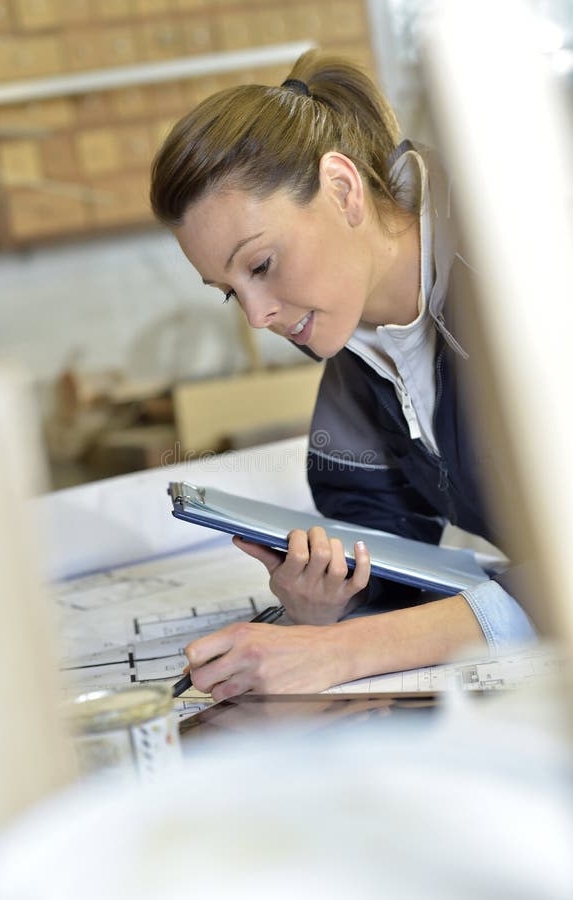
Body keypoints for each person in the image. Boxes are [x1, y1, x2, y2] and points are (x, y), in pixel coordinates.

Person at [150, 49, 536, 700]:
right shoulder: (354, 349)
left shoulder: (526, 271)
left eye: (262, 264)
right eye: (227, 290)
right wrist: (327, 600)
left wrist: (339, 651)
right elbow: (381, 536)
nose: (257, 315)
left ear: (342, 190)